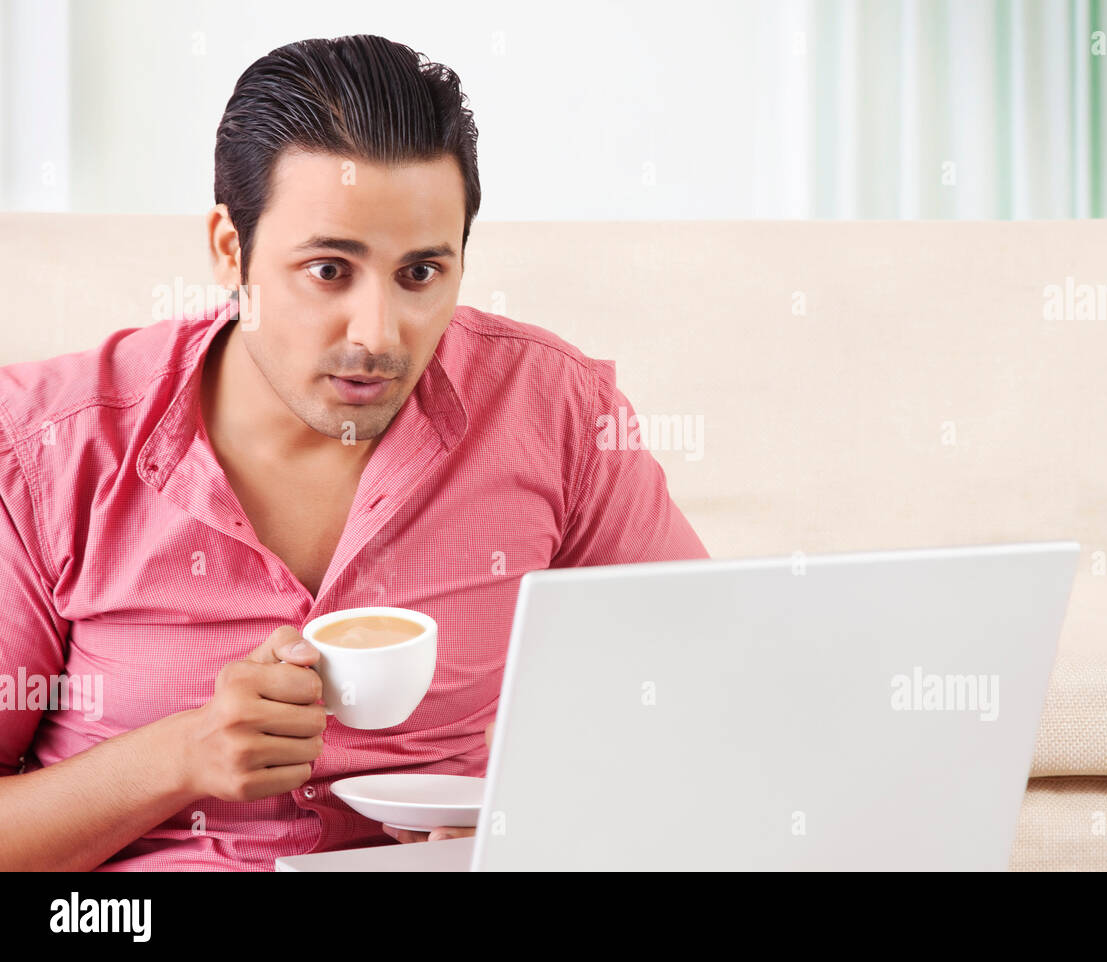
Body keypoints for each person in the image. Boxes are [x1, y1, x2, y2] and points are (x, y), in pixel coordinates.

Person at [0, 35, 707, 871]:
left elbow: (704, 701)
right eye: (330, 269)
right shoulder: (45, 451)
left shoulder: (553, 410)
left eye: (419, 275)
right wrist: (179, 757)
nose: (377, 336)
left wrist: (536, 813)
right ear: (231, 248)